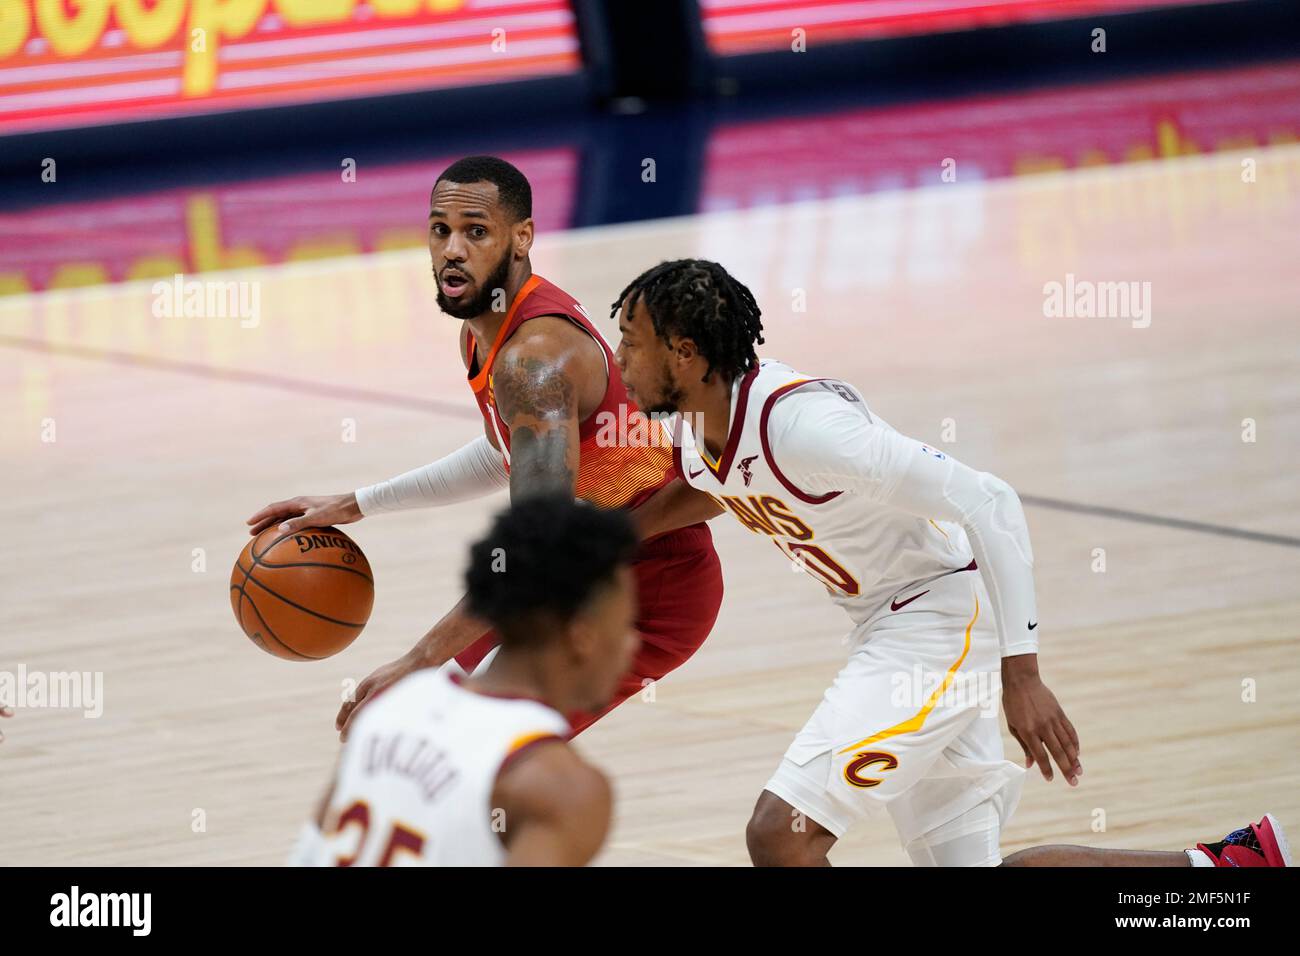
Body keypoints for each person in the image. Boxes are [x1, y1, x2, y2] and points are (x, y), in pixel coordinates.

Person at [613, 257, 1289, 868]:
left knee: (780, 835)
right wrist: (606, 536)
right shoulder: (702, 425)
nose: (618, 360)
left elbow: (988, 499)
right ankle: (1226, 868)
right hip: (894, 627)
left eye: (632, 343)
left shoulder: (806, 429)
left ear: (686, 354)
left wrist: (1021, 675)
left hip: (935, 623)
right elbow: (719, 486)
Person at [248, 156, 723, 737]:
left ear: (521, 238)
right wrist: (357, 502)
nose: (451, 249)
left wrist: (418, 658)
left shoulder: (535, 358)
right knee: (421, 739)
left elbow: (536, 553)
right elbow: (506, 449)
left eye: (476, 231)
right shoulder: (487, 330)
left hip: (649, 585)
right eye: (439, 229)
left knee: (460, 751)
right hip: (571, 571)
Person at [290, 496, 639, 866]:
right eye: (624, 625)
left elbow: (307, 856)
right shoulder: (557, 786)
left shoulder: (394, 708)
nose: (633, 642)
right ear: (581, 636)